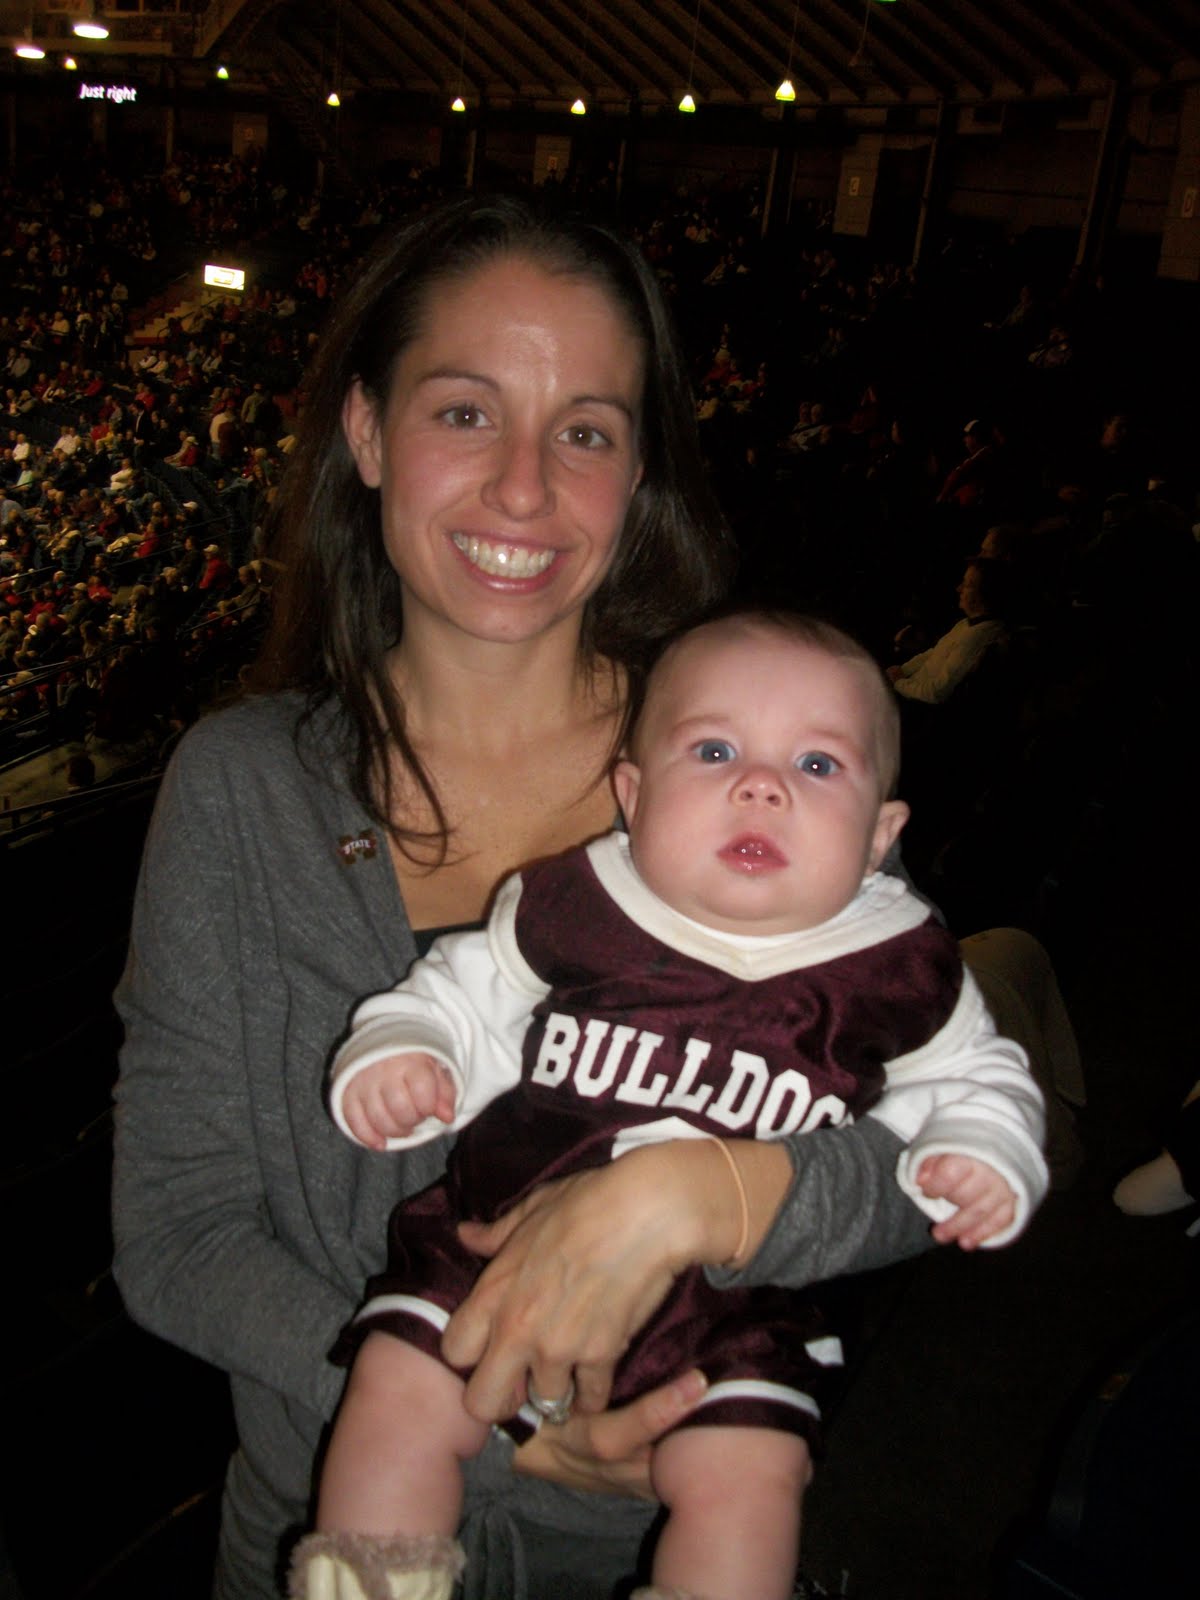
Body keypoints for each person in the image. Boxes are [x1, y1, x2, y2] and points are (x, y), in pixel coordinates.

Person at [112, 195, 961, 1600]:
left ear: (638, 478)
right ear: (368, 434)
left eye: (584, 431)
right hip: (331, 1533)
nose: (523, 489)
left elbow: (923, 1148)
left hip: (654, 1547)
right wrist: (492, 1410)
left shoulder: (747, 759)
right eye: (464, 413)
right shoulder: (240, 790)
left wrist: (716, 1190)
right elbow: (179, 1235)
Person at [300, 612, 1047, 1600]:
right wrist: (409, 1055)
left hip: (735, 1304)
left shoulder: (901, 965)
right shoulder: (577, 902)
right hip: (494, 1253)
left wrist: (982, 1149)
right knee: (398, 1393)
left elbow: (979, 1077)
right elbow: (460, 995)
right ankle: (369, 1578)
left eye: (819, 766)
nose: (762, 784)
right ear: (633, 795)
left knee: (753, 1475)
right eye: (715, 748)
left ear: (881, 836)